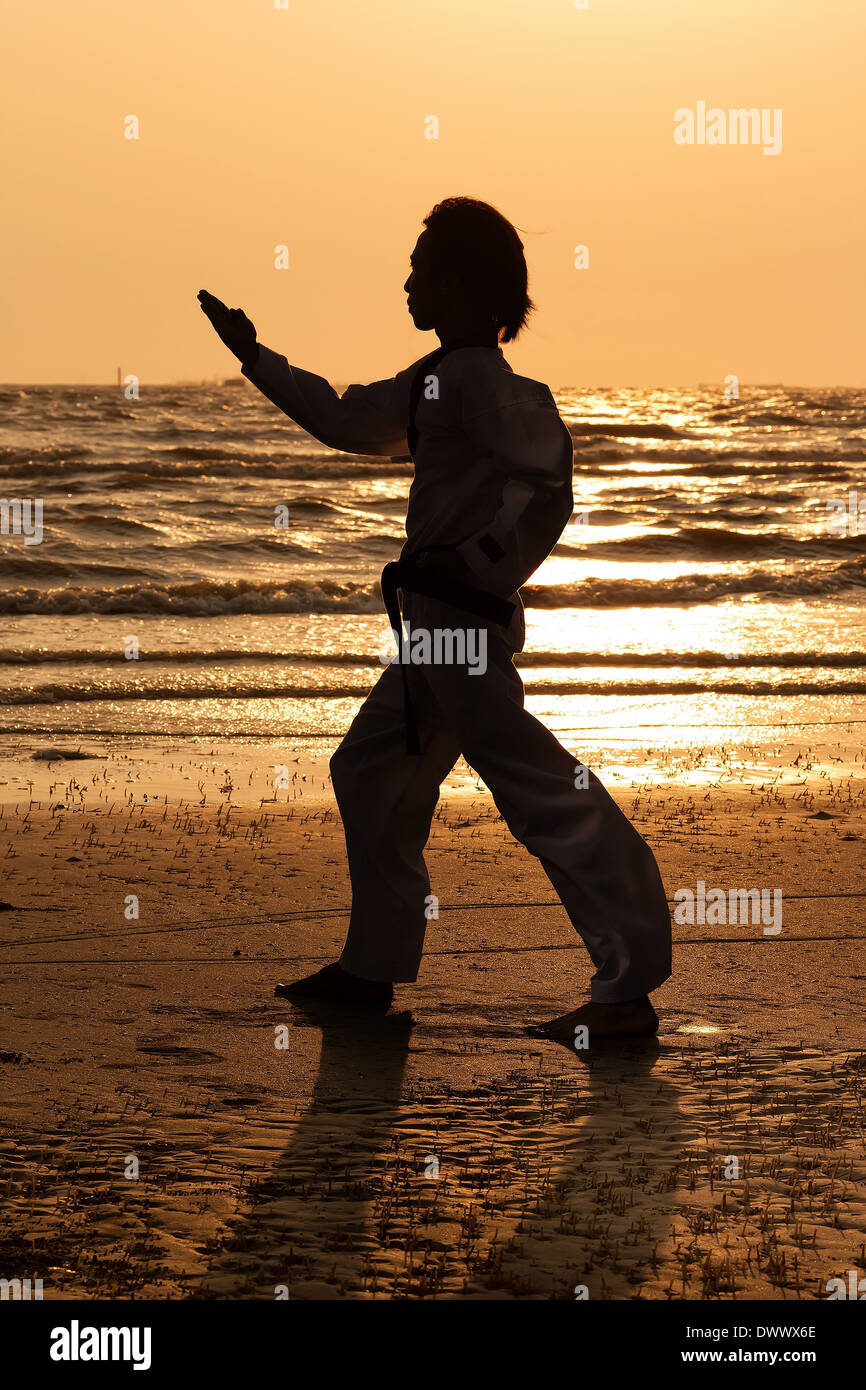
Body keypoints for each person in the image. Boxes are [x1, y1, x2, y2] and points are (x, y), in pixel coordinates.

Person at [198, 196, 672, 1040]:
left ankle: (627, 990)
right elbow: (346, 418)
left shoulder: (488, 384)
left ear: (456, 283)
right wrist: (257, 357)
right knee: (370, 771)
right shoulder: (436, 380)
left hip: (460, 631)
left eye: (420, 269)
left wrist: (479, 562)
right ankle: (373, 967)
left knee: (536, 792)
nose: (407, 283)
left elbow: (547, 487)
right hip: (433, 636)